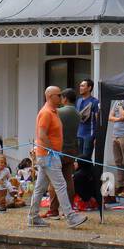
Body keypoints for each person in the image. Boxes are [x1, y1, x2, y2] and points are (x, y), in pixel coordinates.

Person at [28, 86, 86, 229]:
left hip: (47, 155)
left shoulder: (53, 112)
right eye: (58, 95)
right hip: (48, 155)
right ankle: (71, 217)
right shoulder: (46, 113)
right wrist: (53, 151)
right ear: (50, 96)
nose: (61, 97)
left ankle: (33, 217)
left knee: (40, 188)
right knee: (60, 185)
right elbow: (42, 135)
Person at [46, 88, 80, 218]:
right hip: (71, 150)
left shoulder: (58, 112)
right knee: (68, 180)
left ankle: (53, 210)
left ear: (64, 99)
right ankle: (69, 209)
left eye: (61, 97)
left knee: (54, 180)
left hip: (58, 149)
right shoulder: (77, 114)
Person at [75, 79, 99, 161]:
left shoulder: (95, 102)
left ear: (89, 88)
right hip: (79, 134)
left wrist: (97, 137)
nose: (80, 88)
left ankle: (89, 174)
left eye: (82, 86)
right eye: (80, 86)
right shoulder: (78, 101)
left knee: (86, 159)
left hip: (89, 135)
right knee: (78, 159)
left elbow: (98, 120)